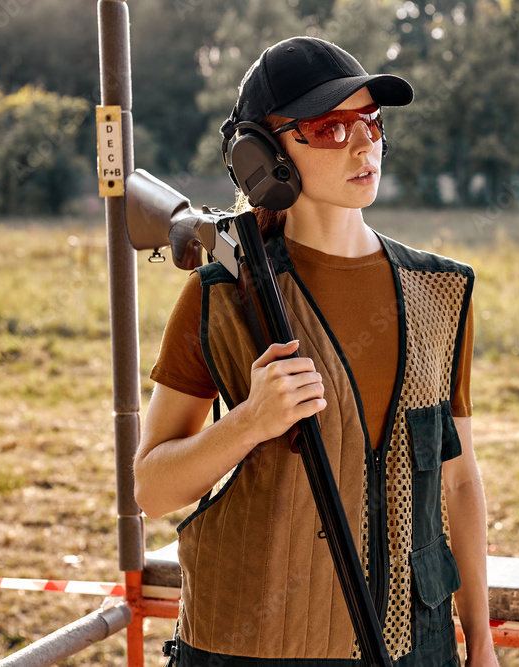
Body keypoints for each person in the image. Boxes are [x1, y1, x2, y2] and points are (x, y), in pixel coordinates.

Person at [134, 36, 498, 667]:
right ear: (261, 156)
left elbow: (460, 482)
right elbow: (152, 490)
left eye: (371, 122)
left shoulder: (440, 292)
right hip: (251, 649)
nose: (363, 145)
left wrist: (482, 642)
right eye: (330, 128)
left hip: (418, 645)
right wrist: (249, 423)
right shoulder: (222, 294)